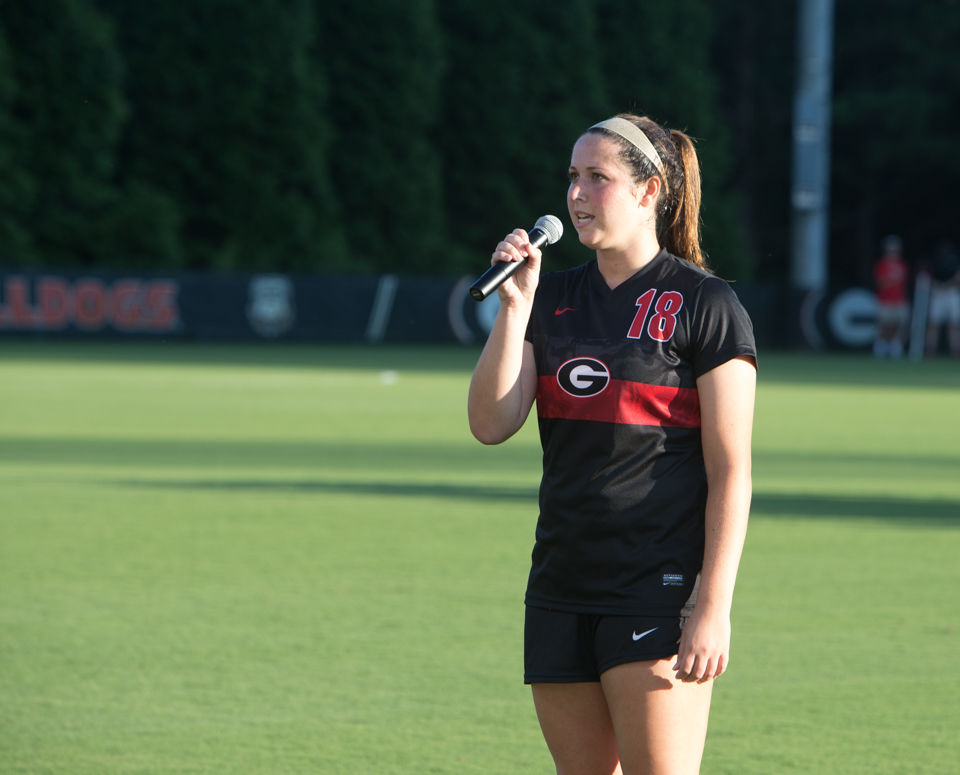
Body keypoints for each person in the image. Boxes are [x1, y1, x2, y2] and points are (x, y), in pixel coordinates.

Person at [467, 113, 757, 775]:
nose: (576, 194)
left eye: (597, 178)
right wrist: (514, 306)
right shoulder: (551, 296)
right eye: (573, 177)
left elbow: (731, 470)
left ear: (650, 190)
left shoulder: (705, 303)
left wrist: (712, 606)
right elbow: (490, 423)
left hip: (656, 591)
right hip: (560, 585)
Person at [872, 235, 910, 358]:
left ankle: (895, 347)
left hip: (899, 299)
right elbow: (881, 282)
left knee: (898, 324)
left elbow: (904, 283)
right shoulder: (881, 264)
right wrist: (893, 280)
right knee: (884, 324)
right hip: (885, 300)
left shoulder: (902, 264)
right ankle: (881, 346)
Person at [925, 240, 960, 357]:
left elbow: (958, 277)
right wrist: (936, 286)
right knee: (933, 324)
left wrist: (947, 285)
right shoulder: (934, 261)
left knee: (954, 324)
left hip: (951, 293)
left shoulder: (955, 261)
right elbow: (927, 277)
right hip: (937, 293)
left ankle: (956, 351)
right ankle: (930, 351)